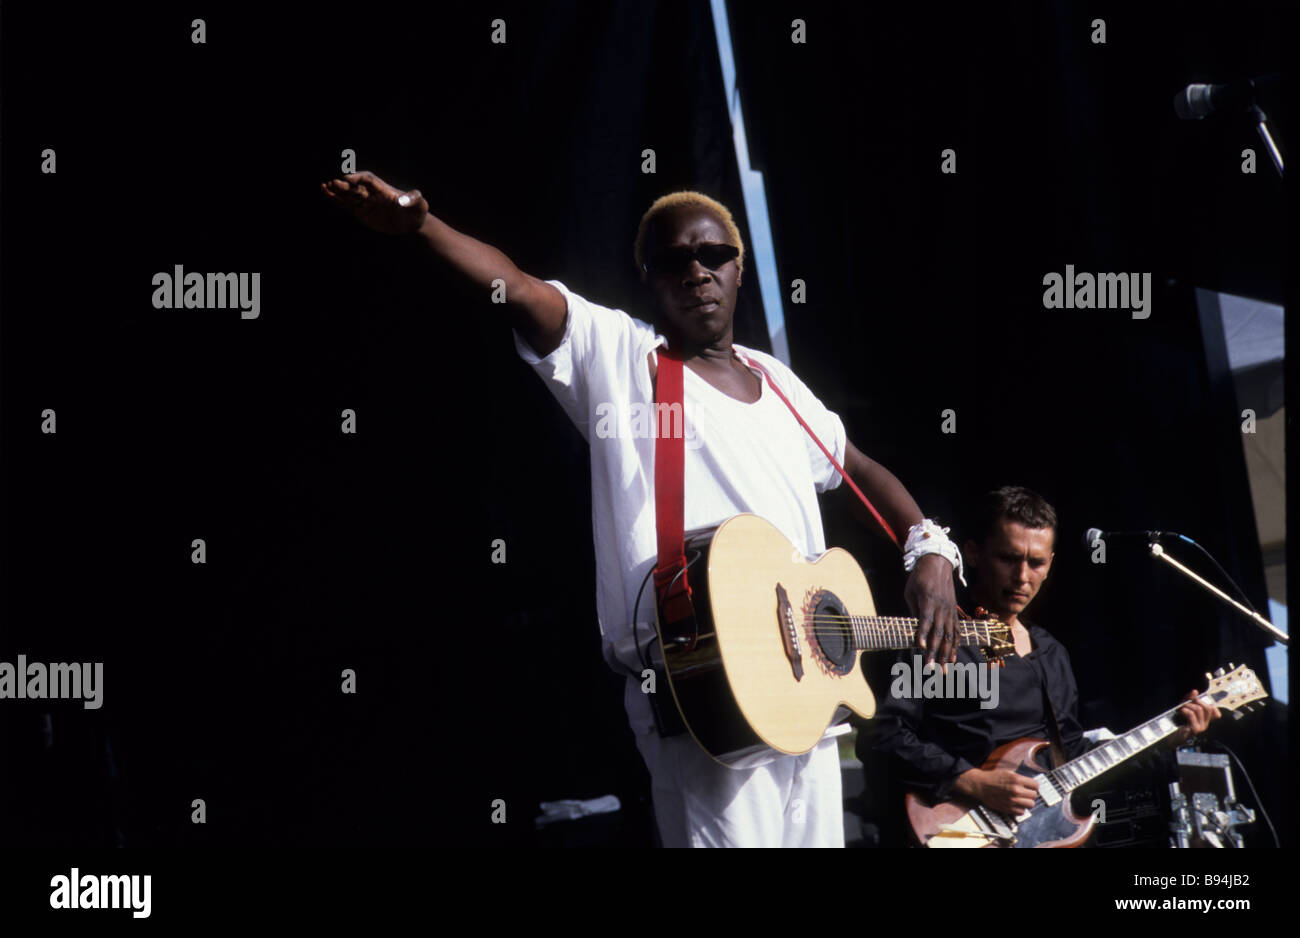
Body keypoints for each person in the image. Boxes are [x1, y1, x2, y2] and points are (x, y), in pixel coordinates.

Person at [321, 171, 963, 847]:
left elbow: (858, 469)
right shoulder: (623, 357)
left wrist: (930, 549)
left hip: (806, 692)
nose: (696, 271)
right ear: (648, 278)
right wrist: (423, 226)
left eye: (713, 255)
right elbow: (517, 288)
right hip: (704, 685)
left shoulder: (778, 384)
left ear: (739, 271)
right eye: (673, 260)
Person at [860, 486, 1220, 844]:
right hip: (960, 829)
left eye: (1036, 563)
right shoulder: (945, 637)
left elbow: (1073, 760)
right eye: (1008, 558)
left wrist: (1169, 737)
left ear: (1050, 566)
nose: (1022, 577)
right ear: (972, 553)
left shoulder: (1052, 653)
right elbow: (883, 737)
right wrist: (974, 781)